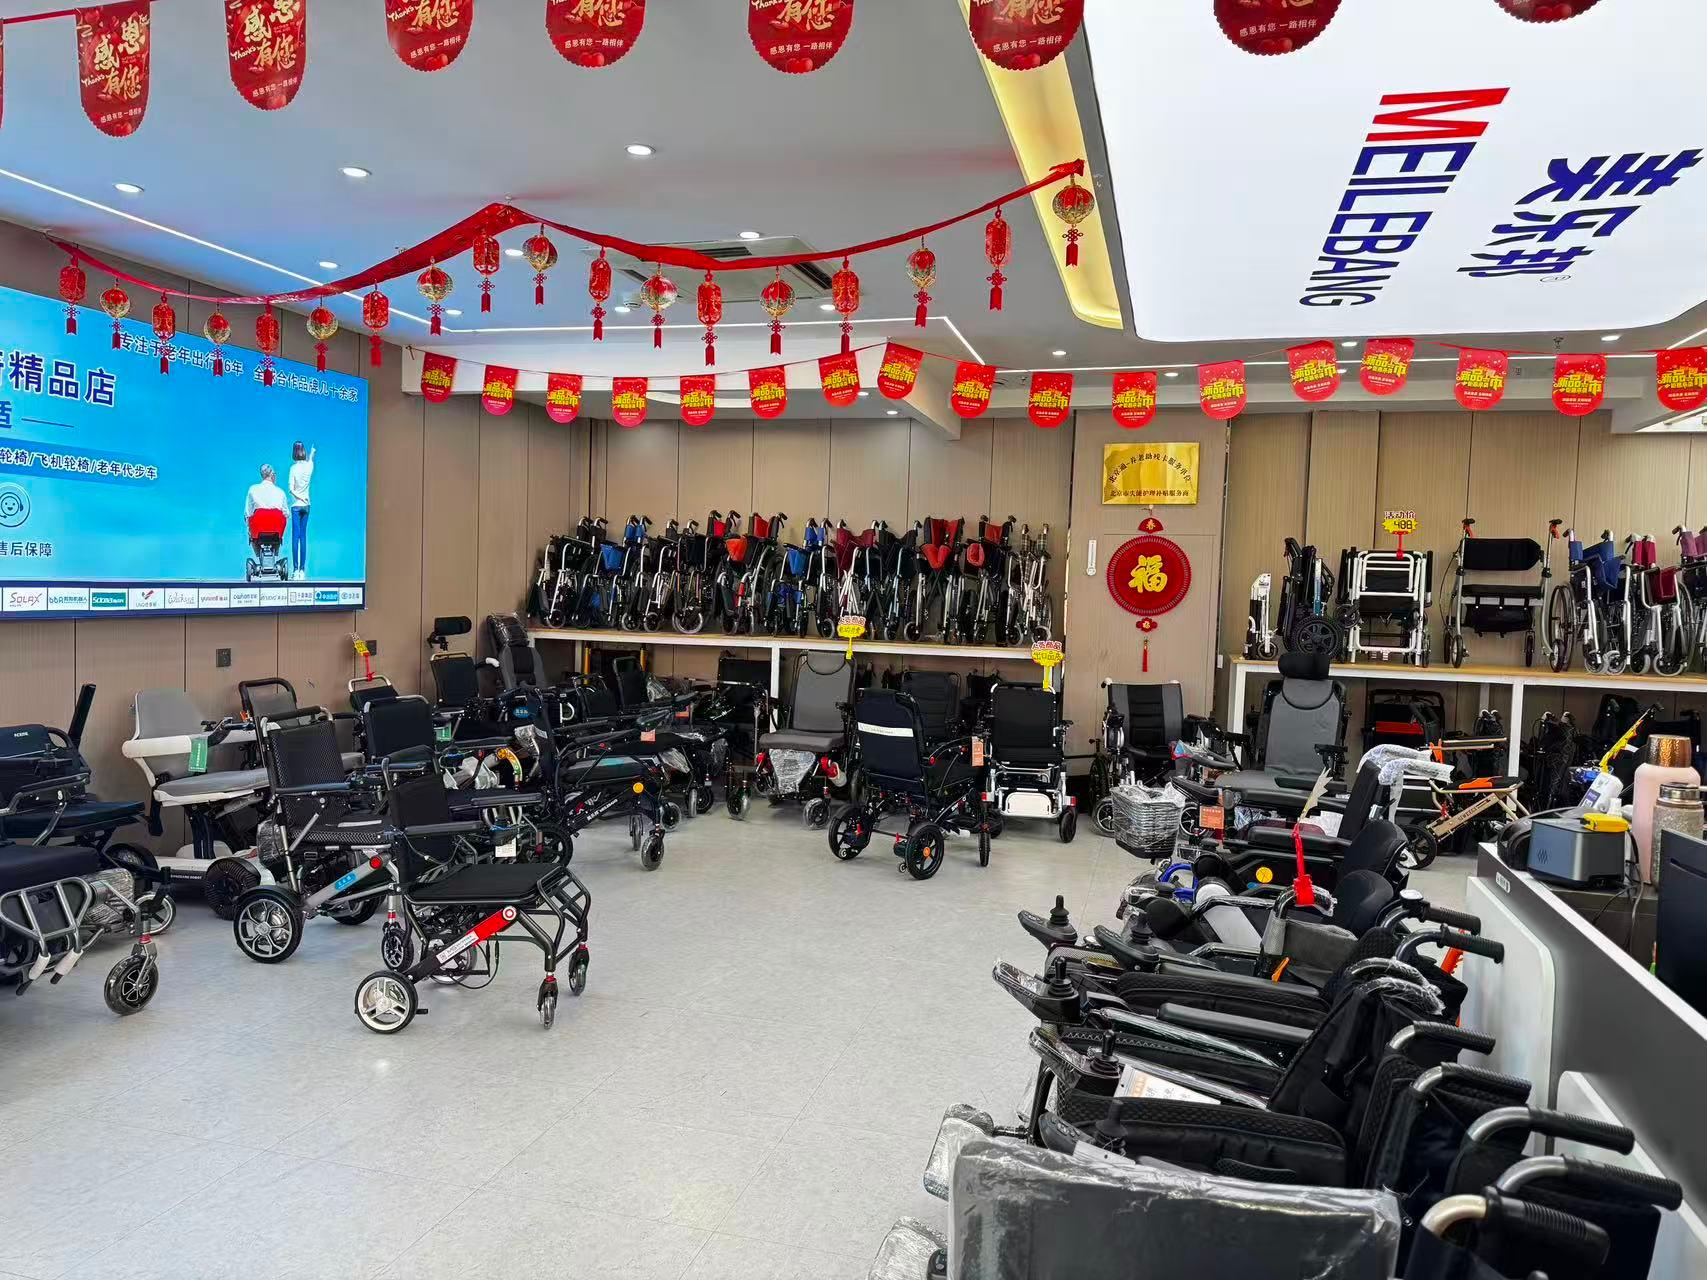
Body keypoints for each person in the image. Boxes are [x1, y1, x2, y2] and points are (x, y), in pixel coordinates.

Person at [288, 441, 315, 580]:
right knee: (303, 537)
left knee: (295, 537)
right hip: (307, 506)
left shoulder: (293, 468)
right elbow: (310, 460)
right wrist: (312, 453)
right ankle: (302, 570)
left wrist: (299, 497)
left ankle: (295, 570)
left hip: (296, 506)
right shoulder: (310, 466)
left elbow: (291, 489)